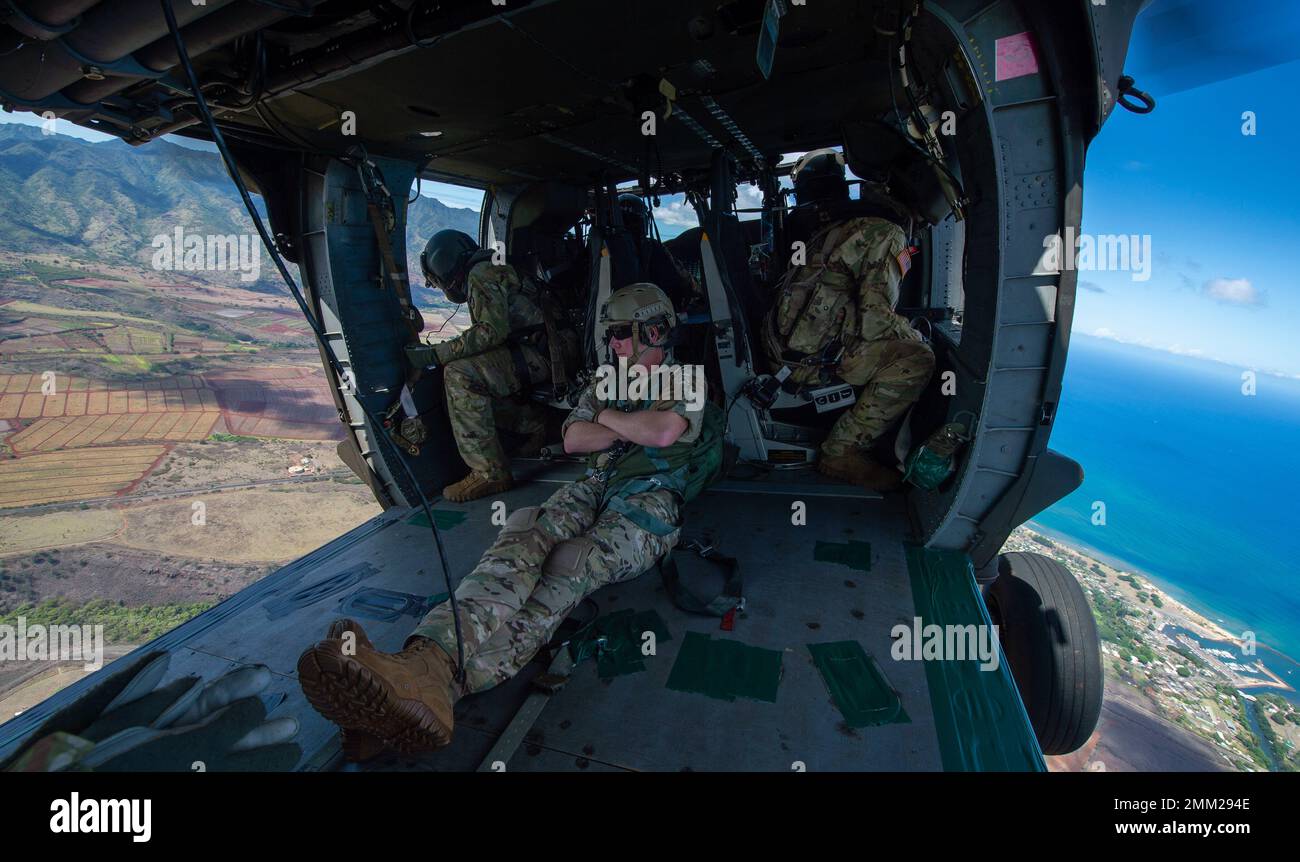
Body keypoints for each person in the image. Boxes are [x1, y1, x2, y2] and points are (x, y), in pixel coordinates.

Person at [298, 284, 714, 755]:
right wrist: (616, 419)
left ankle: (433, 690)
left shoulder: (685, 380)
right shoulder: (607, 382)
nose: (614, 344)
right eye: (611, 334)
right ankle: (426, 659)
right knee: (520, 541)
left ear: (653, 331)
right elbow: (575, 439)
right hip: (592, 487)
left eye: (621, 333)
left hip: (649, 502)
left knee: (566, 569)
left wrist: (608, 418)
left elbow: (661, 432)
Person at [762, 149, 935, 491]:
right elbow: (875, 322)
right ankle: (842, 451)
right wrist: (912, 337)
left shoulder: (847, 226)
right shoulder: (885, 233)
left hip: (785, 351)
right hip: (805, 364)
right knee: (918, 358)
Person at [404, 229, 561, 502]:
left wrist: (437, 355)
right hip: (548, 349)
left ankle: (490, 473)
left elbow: (491, 332)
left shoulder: (481, 273)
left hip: (545, 354)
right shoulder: (491, 266)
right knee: (477, 371)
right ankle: (536, 427)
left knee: (461, 374)